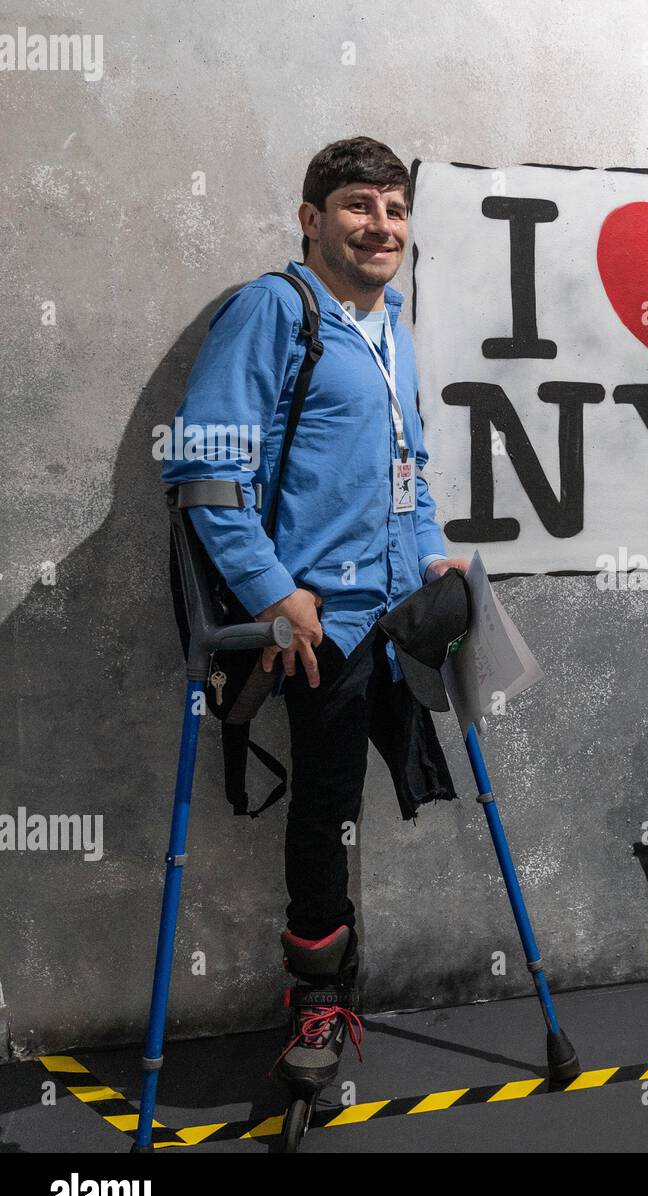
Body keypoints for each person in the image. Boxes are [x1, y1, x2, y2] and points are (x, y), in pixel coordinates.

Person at [161, 136, 468, 1087]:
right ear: (311, 218)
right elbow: (206, 470)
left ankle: (344, 985)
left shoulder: (392, 330)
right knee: (327, 806)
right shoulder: (275, 311)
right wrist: (272, 592)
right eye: (358, 207)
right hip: (314, 623)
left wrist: (431, 555)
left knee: (367, 797)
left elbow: (405, 480)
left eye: (395, 210)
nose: (382, 227)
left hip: (391, 612)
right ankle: (318, 999)